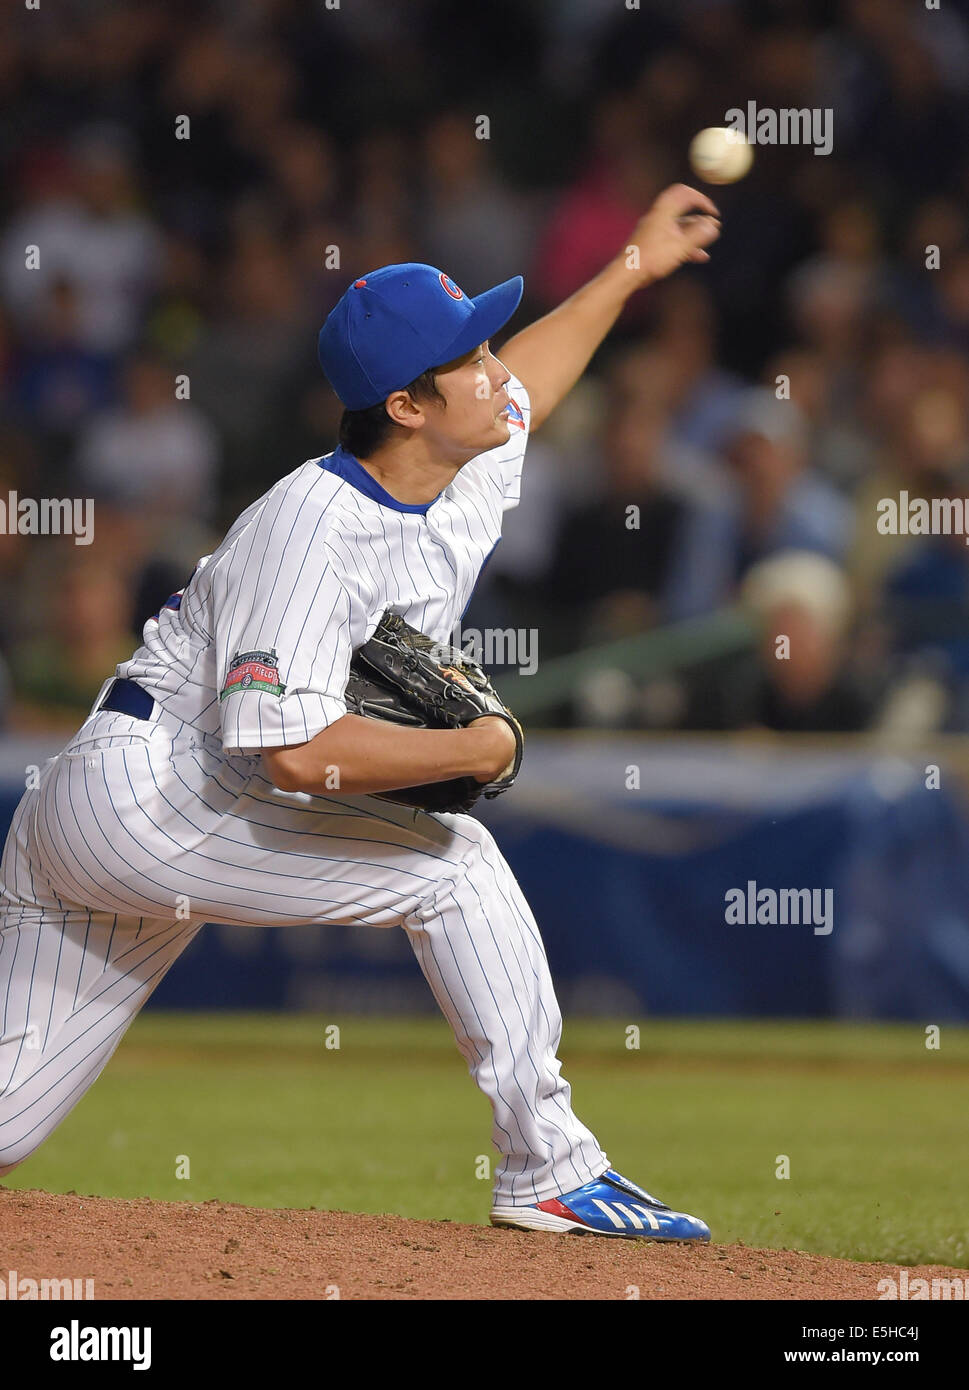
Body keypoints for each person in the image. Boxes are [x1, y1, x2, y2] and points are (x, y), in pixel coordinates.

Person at [0, 185, 720, 1240]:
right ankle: (550, 1167)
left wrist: (632, 267)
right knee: (456, 867)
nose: (497, 374)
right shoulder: (312, 523)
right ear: (405, 406)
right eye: (471, 359)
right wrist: (469, 744)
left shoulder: (458, 462)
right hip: (156, 794)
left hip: (115, 808)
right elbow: (289, 755)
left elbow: (540, 377)